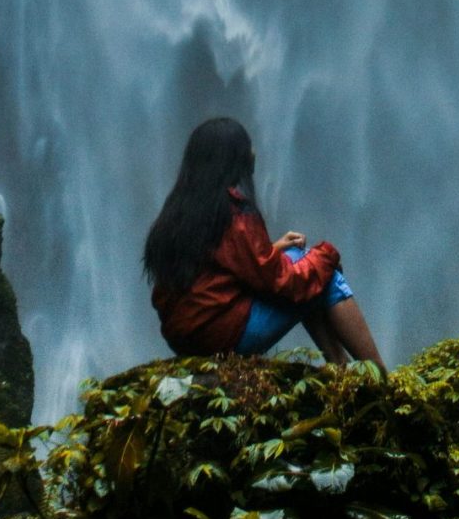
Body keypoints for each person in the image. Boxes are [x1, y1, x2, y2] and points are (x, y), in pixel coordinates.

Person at [143, 117, 386, 371]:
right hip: (223, 337)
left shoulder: (178, 212)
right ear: (233, 158)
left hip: (187, 338)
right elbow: (283, 283)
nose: (254, 152)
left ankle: (342, 370)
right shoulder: (232, 213)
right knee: (324, 278)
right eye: (248, 146)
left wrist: (274, 249)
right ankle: (382, 379)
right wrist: (326, 254)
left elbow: (217, 270)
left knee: (299, 262)